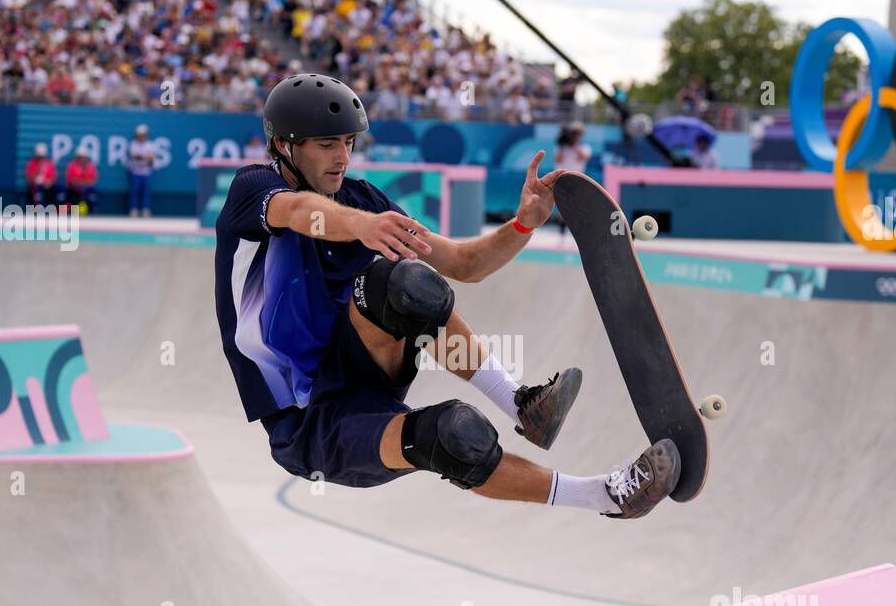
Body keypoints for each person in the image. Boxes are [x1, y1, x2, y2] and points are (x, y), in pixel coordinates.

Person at [214, 73, 681, 520]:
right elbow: (297, 211)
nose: (342, 157)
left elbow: (463, 264)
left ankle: (520, 404)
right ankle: (607, 495)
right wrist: (362, 225)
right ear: (283, 145)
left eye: (348, 142)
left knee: (406, 283)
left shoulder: (363, 199)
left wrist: (523, 225)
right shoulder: (252, 189)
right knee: (455, 435)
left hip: (362, 361)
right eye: (326, 144)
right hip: (310, 424)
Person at [554, 122, 592, 239]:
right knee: (562, 205)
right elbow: (557, 160)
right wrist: (561, 145)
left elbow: (583, 157)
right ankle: (562, 230)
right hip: (562, 177)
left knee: (576, 205)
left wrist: (574, 144)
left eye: (577, 134)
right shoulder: (562, 147)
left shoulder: (584, 147)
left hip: (577, 178)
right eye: (573, 134)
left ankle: (575, 229)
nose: (575, 136)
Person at [127, 124, 155, 217]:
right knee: (134, 192)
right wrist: (145, 157)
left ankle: (145, 210)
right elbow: (135, 156)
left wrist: (142, 157)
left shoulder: (150, 145)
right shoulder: (133, 144)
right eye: (139, 134)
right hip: (135, 172)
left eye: (143, 134)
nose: (141, 136)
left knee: (146, 193)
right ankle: (133, 209)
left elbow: (151, 158)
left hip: (146, 173)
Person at [65, 148, 99, 214]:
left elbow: (93, 180)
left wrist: (81, 182)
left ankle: (92, 213)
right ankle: (72, 213)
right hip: (75, 190)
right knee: (69, 195)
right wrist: (83, 182)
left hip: (87, 190)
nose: (81, 159)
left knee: (92, 194)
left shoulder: (90, 166)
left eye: (83, 157)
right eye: (80, 157)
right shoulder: (72, 165)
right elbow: (71, 180)